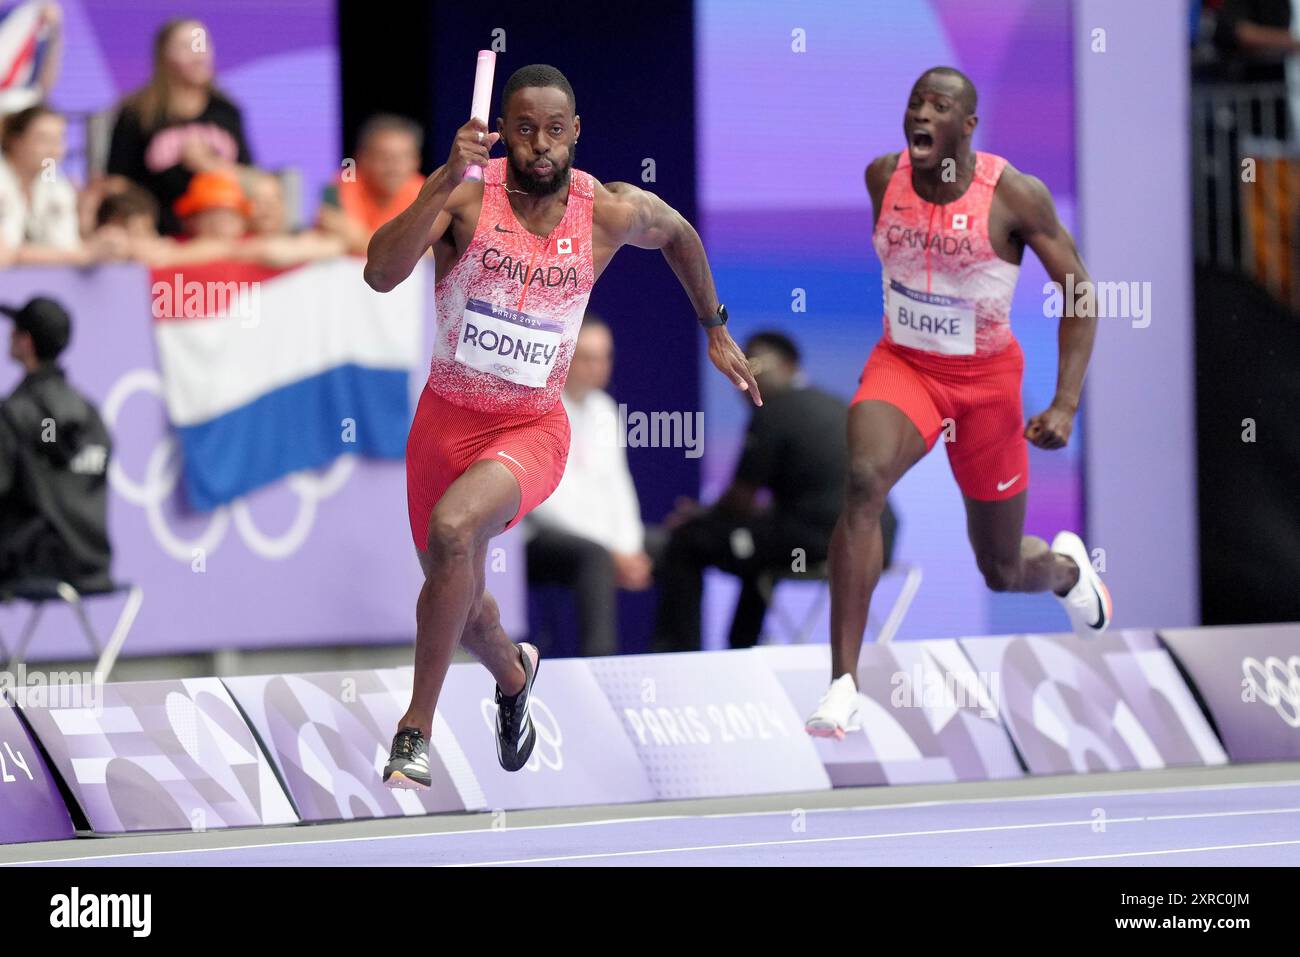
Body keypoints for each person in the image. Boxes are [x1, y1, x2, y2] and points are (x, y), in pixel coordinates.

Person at [364, 64, 759, 788]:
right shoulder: (465, 199)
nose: (540, 145)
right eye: (523, 130)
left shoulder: (606, 210)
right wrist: (438, 182)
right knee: (466, 600)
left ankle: (413, 728)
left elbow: (678, 234)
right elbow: (381, 274)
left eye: (554, 130)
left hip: (531, 429)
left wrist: (714, 326)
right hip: (443, 425)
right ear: (502, 134)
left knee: (455, 532)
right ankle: (515, 675)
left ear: (574, 132)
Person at [804, 67, 1112, 739]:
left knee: (1001, 568)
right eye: (916, 101)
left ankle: (1063, 570)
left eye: (940, 106)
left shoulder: (1015, 197)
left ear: (967, 127)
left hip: (985, 387)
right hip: (905, 369)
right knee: (861, 482)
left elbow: (1082, 294)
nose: (922, 113)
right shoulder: (881, 178)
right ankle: (843, 683)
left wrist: (1064, 404)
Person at [652, 332, 895, 650]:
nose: (746, 374)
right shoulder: (834, 405)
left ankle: (679, 655)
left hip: (827, 541)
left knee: (688, 539)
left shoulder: (774, 411)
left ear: (790, 365)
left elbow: (740, 500)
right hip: (878, 540)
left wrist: (703, 515)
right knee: (760, 542)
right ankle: (742, 646)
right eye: (740, 365)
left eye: (755, 363)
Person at [524, 314, 652, 657]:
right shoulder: (540, 408)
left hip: (601, 538)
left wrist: (629, 545)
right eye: (588, 358)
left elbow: (618, 485)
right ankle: (600, 662)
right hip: (538, 538)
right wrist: (612, 550)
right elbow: (544, 499)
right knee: (595, 557)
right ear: (565, 357)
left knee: (676, 546)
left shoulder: (605, 410)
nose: (599, 367)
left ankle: (679, 654)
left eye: (605, 357)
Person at [0, 296, 111, 590]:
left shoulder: (20, 413)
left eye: (14, 331)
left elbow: (50, 437)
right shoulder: (90, 413)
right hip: (94, 562)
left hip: (35, 561)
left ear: (25, 343)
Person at [107, 17, 253, 236]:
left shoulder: (226, 111)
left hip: (223, 233)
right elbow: (117, 182)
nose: (199, 55)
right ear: (164, 56)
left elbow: (251, 177)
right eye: (187, 47)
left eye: (203, 45)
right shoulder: (136, 113)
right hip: (159, 234)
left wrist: (209, 163)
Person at [0, 105, 124, 266]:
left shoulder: (57, 186)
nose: (53, 150)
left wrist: (100, 244)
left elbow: (65, 245)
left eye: (59, 139)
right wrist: (83, 254)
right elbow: (6, 255)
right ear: (15, 142)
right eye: (43, 139)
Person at [318, 114, 425, 255]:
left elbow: (436, 249)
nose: (394, 167)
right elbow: (337, 238)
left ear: (416, 161)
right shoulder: (340, 187)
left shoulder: (426, 191)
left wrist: (361, 240)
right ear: (362, 158)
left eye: (403, 157)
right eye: (384, 157)